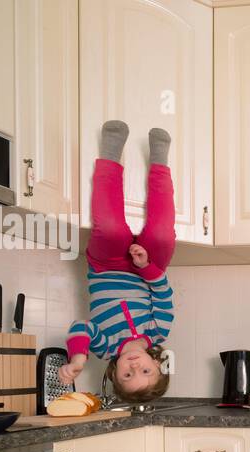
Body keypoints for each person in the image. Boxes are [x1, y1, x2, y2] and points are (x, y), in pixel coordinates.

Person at [59, 121, 175, 403]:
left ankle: (110, 154)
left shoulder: (105, 345)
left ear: (113, 375)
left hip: (106, 265)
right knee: (162, 233)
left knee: (110, 228)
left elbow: (81, 326)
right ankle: (160, 162)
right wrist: (146, 266)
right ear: (157, 364)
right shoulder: (159, 331)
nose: (135, 366)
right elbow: (163, 292)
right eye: (146, 370)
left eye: (127, 375)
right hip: (147, 266)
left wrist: (77, 359)